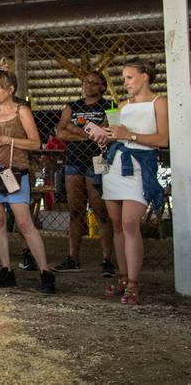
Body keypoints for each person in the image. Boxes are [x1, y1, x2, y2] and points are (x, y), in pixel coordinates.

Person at [0, 70, 56, 294]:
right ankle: (6, 269)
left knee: (24, 223)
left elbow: (35, 143)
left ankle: (45, 271)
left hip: (14, 171)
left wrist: (6, 139)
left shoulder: (22, 111)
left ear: (10, 89)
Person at [101, 58, 168, 305]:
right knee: (117, 225)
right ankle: (123, 276)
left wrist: (129, 134)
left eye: (129, 77)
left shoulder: (159, 103)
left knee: (130, 223)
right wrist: (105, 136)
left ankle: (134, 283)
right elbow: (115, 135)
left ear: (145, 77)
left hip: (141, 166)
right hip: (115, 165)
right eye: (124, 77)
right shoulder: (122, 105)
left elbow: (163, 139)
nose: (125, 82)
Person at [53, 71, 115, 276]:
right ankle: (73, 258)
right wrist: (89, 134)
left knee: (101, 210)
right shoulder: (72, 106)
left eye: (93, 83)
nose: (88, 86)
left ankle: (107, 260)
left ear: (102, 87)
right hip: (73, 162)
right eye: (85, 82)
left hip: (98, 161)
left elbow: (107, 133)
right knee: (75, 210)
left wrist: (74, 127)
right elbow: (59, 131)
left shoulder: (110, 106)